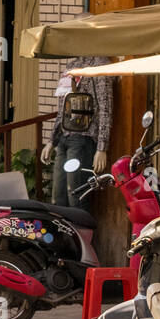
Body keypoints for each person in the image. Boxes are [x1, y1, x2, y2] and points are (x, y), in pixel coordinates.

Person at [40, 59, 114, 209]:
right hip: (64, 138)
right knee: (58, 196)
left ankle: (80, 232)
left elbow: (106, 108)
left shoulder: (100, 66)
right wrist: (51, 141)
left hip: (83, 138)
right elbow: (62, 109)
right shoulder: (71, 66)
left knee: (76, 195)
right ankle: (63, 232)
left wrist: (102, 147)